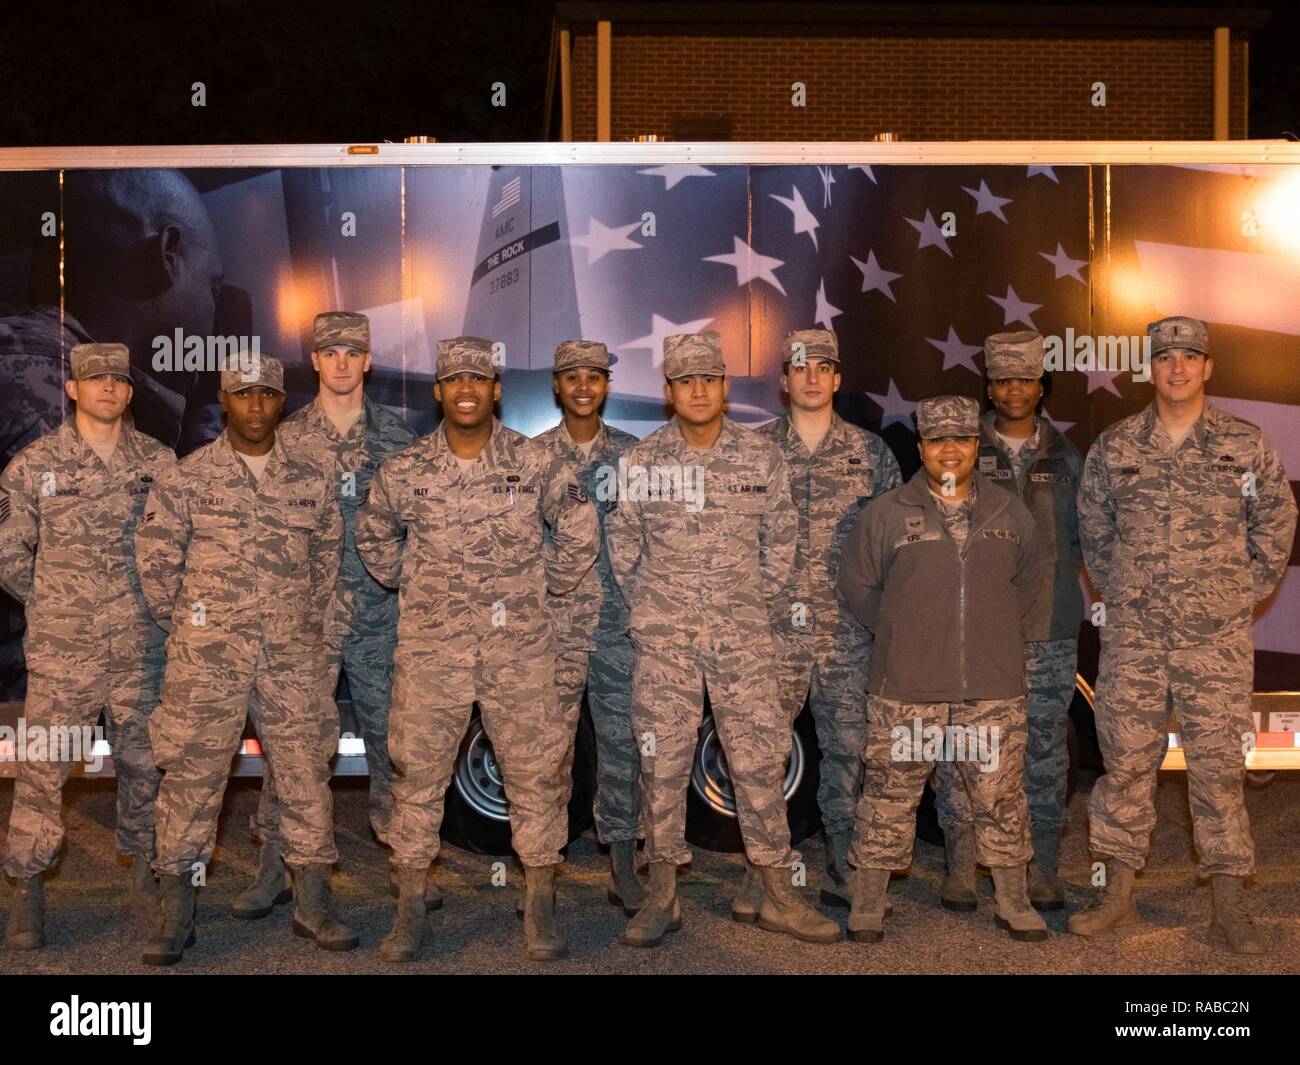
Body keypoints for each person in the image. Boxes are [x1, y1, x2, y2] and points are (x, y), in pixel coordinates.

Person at [356, 336, 599, 963]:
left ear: (495, 390)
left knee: (538, 775)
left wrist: (544, 589)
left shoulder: (535, 462)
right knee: (417, 778)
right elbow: (374, 535)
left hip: (518, 652)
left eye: (479, 379)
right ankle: (409, 906)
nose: (466, 389)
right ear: (439, 392)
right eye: (454, 380)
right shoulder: (405, 470)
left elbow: (578, 529)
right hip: (432, 653)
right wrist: (412, 581)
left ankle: (539, 904)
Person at [606, 330, 842, 948]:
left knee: (760, 762)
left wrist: (747, 607)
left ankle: (777, 893)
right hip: (666, 643)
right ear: (668, 391)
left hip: (744, 640)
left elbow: (782, 541)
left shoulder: (762, 458)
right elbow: (624, 545)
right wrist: (654, 609)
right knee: (660, 765)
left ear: (725, 387)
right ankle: (662, 894)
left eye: (709, 379)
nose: (698, 390)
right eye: (685, 381)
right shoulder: (642, 463)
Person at [1071, 316, 1297, 954]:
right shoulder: (1117, 447)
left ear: (1208, 366)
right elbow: (1096, 531)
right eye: (1165, 356)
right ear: (1149, 367)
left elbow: (1275, 524)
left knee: (1220, 768)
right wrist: (1126, 594)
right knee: (1126, 763)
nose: (1177, 367)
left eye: (1190, 356)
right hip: (1135, 639)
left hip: (1214, 641)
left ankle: (1229, 902)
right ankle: (1117, 892)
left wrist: (1233, 595)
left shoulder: (1245, 446)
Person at [134, 355, 351, 965]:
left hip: (291, 657)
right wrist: (199, 627)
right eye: (243, 394)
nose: (255, 406)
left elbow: (326, 567)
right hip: (208, 660)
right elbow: (157, 569)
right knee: (191, 781)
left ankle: (313, 904)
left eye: (267, 395)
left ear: (282, 402)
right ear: (224, 400)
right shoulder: (185, 478)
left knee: (306, 777)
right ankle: (177, 912)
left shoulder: (312, 477)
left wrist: (305, 628)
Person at [0, 169, 224, 703]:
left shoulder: (56, 376)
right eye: (213, 285)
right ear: (166, 254)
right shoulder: (44, 392)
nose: (214, 315)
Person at [233, 311, 419, 923]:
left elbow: (418, 529)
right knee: (294, 748)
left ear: (367, 361)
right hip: (304, 619)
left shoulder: (400, 439)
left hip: (378, 615)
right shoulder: (283, 439)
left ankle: (406, 868)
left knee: (395, 743)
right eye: (328, 352)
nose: (340, 362)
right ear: (313, 362)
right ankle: (276, 865)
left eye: (352, 352)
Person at [837, 395, 1045, 944]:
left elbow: (1027, 584)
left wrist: (986, 633)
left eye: (962, 439)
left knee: (1000, 796)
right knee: (888, 795)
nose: (949, 450)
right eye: (936, 440)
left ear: (978, 446)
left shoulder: (1009, 511)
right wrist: (905, 632)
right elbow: (859, 587)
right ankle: (868, 903)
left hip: (991, 689)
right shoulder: (886, 513)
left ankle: (1014, 901)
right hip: (907, 689)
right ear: (921, 447)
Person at [0, 343, 175, 949]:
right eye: (92, 378)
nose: (107, 388)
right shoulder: (33, 465)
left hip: (141, 651)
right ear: (72, 389)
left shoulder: (160, 462)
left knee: (147, 769)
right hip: (63, 654)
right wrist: (54, 603)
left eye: (118, 380)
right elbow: (8, 554)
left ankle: (148, 878)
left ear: (130, 391)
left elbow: (176, 550)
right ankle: (27, 890)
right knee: (44, 772)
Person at [935, 330, 1083, 913]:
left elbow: (1091, 540)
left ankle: (1039, 867)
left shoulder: (1069, 459)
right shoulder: (961, 451)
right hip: (974, 630)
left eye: (1025, 378)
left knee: (1043, 750)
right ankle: (961, 866)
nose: (1014, 389)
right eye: (1002, 379)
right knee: (964, 748)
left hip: (1048, 629)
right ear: (989, 387)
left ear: (1042, 385)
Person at [756, 327, 901, 915]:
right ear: (784, 381)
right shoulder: (753, 452)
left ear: (837, 379)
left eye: (823, 366)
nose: (811, 377)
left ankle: (843, 866)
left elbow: (897, 547)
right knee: (760, 755)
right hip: (771, 637)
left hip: (847, 635)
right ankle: (761, 874)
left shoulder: (873, 456)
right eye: (799, 367)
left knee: (850, 754)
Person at [533, 340, 645, 914]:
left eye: (594, 377)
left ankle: (623, 859)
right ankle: (542, 869)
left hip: (616, 628)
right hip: (550, 629)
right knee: (546, 753)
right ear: (556, 385)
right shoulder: (526, 459)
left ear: (606, 386)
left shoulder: (636, 458)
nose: (582, 386)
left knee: (623, 748)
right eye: (571, 376)